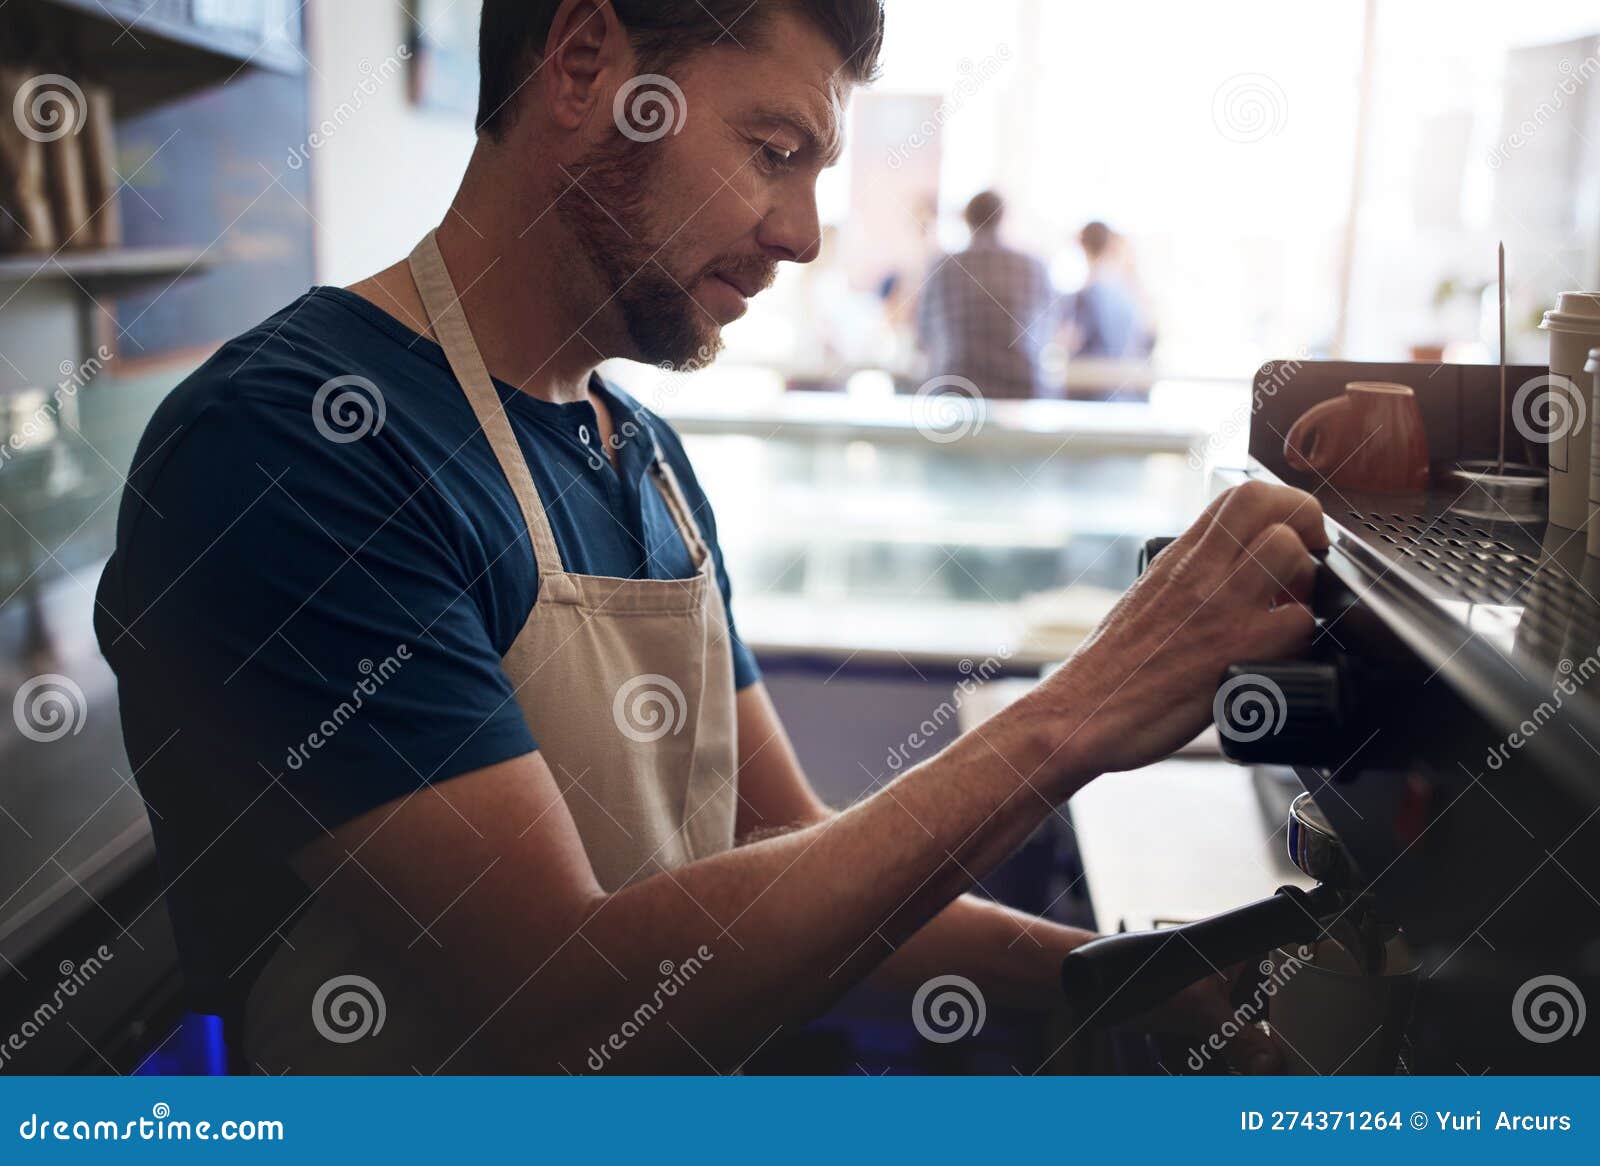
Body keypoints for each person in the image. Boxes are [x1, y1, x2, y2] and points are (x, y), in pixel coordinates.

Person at [96, 0, 1325, 1074]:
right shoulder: (294, 445)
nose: (802, 233)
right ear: (585, 64)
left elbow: (785, 859)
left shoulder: (645, 458)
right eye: (773, 151)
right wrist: (1076, 713)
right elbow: (558, 1009)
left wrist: (1107, 973)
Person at [914, 190, 1057, 399]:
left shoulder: (942, 267)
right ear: (1002, 218)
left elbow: (924, 336)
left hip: (954, 390)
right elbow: (1048, 332)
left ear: (967, 219)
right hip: (1023, 390)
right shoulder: (1034, 267)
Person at [1068, 220, 1154, 360]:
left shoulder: (1088, 295)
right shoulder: (1127, 293)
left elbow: (1072, 341)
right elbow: (1147, 336)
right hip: (1122, 369)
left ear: (1082, 245)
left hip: (1090, 371)